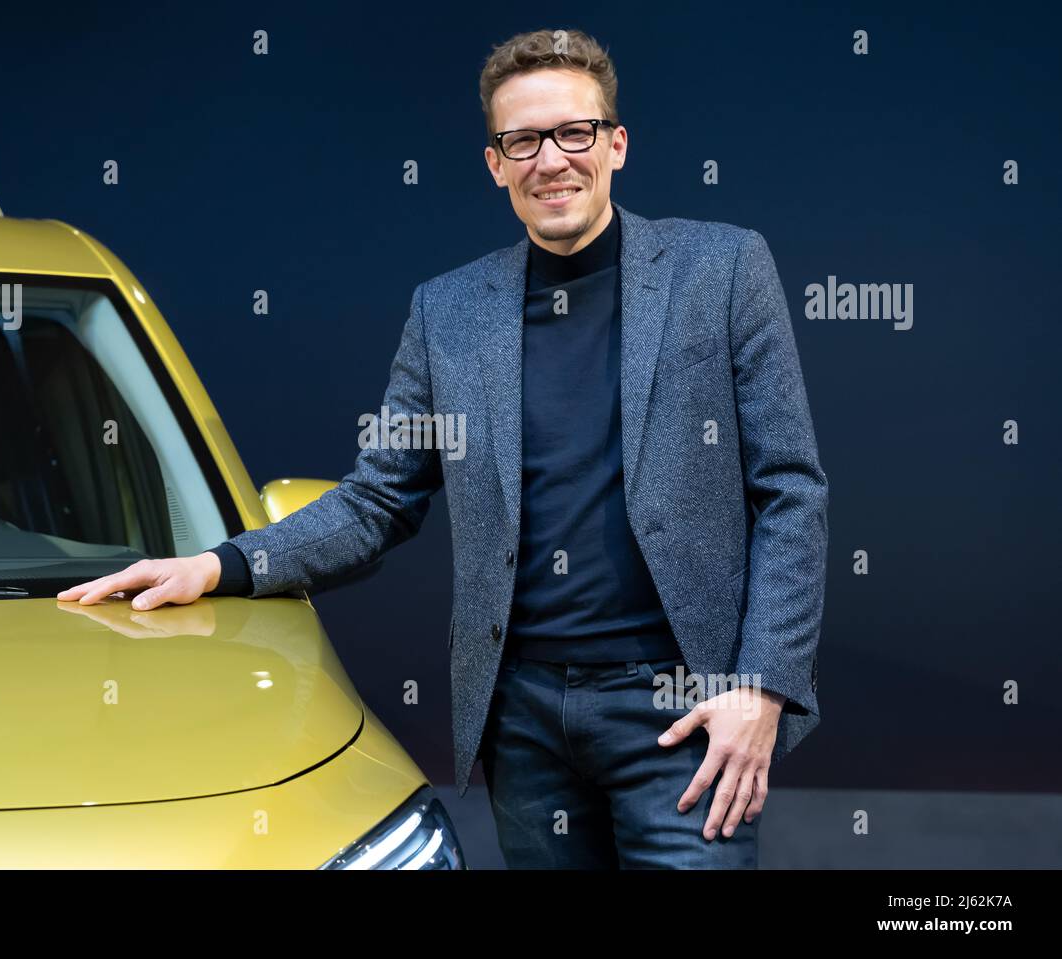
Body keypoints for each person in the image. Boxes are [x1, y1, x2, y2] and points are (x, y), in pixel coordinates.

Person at [58, 27, 828, 869]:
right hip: (523, 720)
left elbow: (791, 489)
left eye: (573, 132)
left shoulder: (720, 269)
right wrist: (217, 565)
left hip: (684, 711)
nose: (551, 160)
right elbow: (378, 496)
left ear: (615, 143)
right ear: (495, 163)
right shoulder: (448, 310)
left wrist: (760, 687)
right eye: (522, 141)